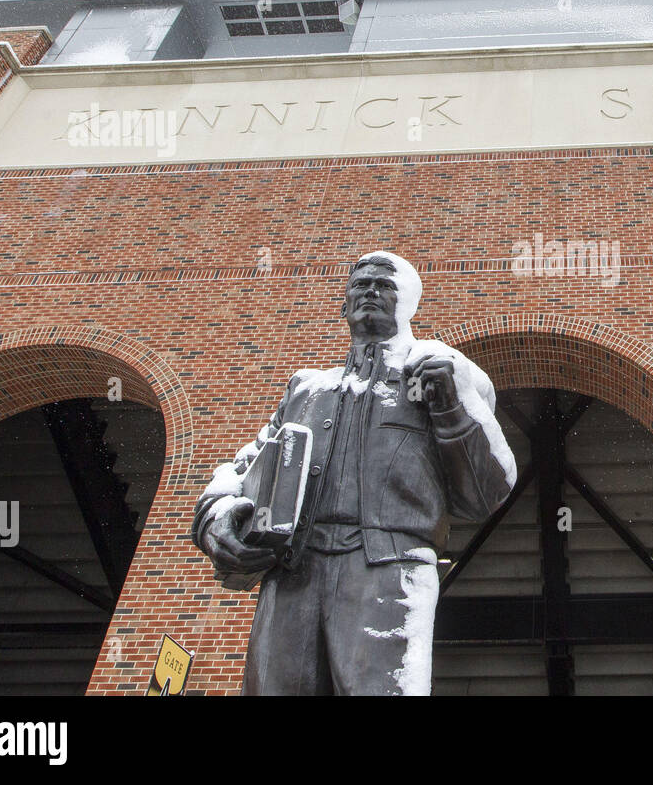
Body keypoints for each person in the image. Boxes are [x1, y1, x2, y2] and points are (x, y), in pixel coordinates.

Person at [192, 250, 516, 694]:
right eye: (360, 284)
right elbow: (242, 470)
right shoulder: (305, 389)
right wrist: (217, 523)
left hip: (388, 571)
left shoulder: (442, 372)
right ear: (342, 304)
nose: (370, 291)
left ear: (408, 304)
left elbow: (488, 493)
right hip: (292, 573)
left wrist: (451, 408)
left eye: (385, 286)